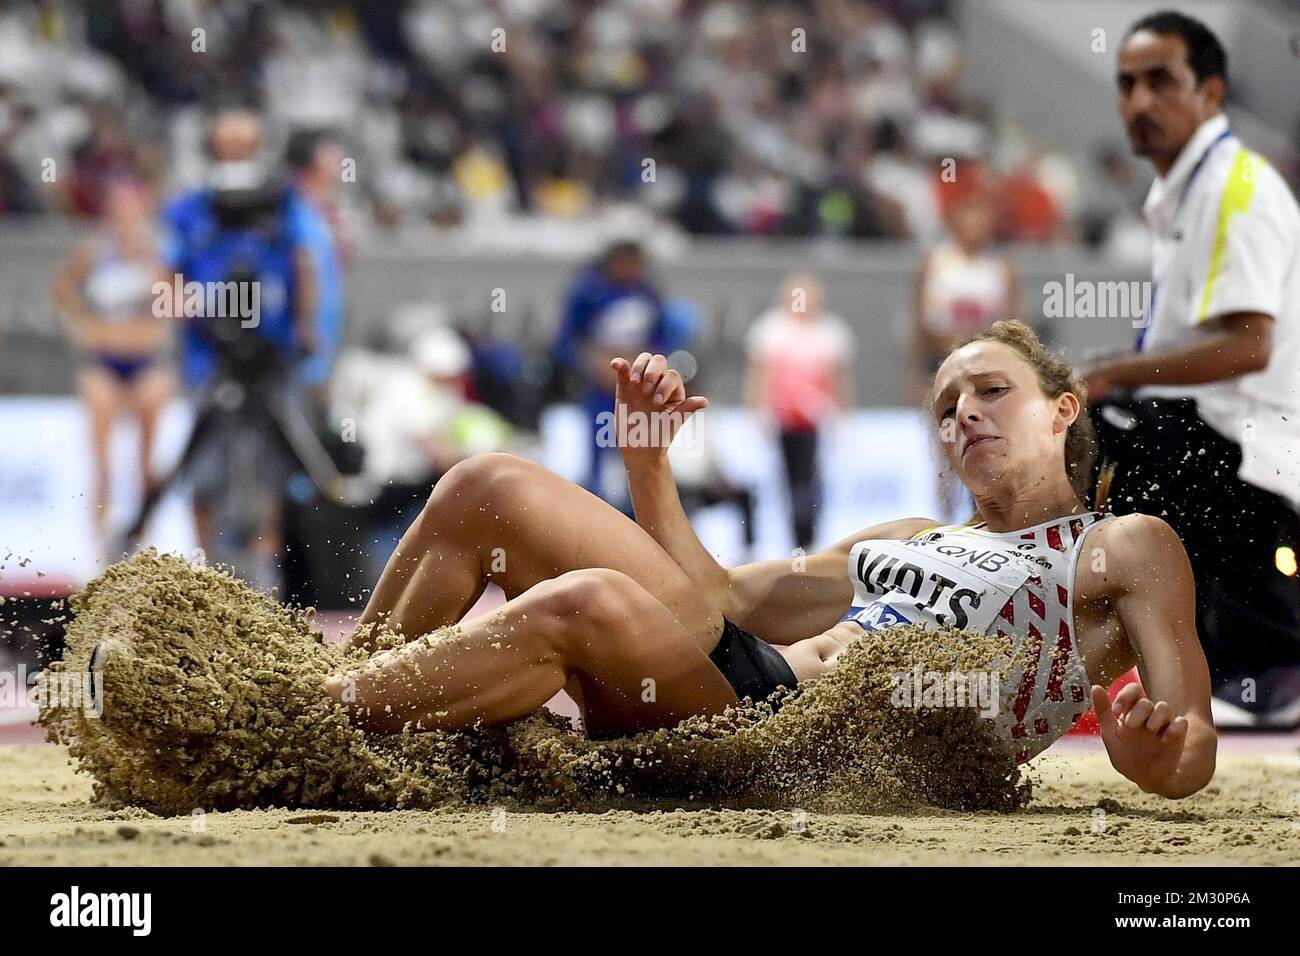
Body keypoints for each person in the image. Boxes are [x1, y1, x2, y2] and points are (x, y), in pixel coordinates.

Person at [324, 320, 1217, 799]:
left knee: (590, 600)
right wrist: (648, 459)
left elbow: (1191, 748)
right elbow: (720, 601)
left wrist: (1149, 759)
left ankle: (305, 722)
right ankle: (342, 708)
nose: (965, 415)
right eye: (947, 407)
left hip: (803, 755)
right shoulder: (909, 537)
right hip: (741, 690)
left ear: (1064, 412)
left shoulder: (1122, 546)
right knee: (489, 486)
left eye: (993, 391)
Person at [1083, 11, 1300, 727]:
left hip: (1249, 453)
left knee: (1088, 425)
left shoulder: (1237, 188)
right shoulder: (1190, 189)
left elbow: (1249, 345)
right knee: (1073, 414)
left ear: (1210, 92)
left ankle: (1260, 668)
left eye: (1160, 82)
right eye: (1126, 85)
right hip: (1218, 439)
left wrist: (1115, 374)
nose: (1139, 102)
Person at [52, 177, 172, 557]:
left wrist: (150, 331)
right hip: (104, 363)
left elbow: (169, 306)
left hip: (144, 363)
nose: (124, 217)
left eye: (131, 209)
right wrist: (84, 326)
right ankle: (98, 548)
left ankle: (141, 545)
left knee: (147, 462)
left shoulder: (155, 255)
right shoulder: (95, 251)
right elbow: (62, 288)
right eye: (118, 209)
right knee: (102, 461)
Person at [911, 188, 1019, 524]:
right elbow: (921, 323)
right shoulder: (937, 263)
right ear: (954, 221)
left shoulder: (1000, 269)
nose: (976, 225)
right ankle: (944, 523)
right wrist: (916, 374)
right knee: (946, 448)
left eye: (982, 217)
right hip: (944, 365)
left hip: (986, 372)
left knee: (985, 446)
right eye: (968, 216)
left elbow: (1013, 327)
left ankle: (984, 519)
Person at [552, 239, 671, 511]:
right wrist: (594, 363)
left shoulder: (648, 293)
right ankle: (593, 512)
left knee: (637, 454)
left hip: (636, 387)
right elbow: (566, 341)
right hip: (600, 388)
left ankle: (636, 515)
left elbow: (662, 339)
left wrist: (646, 361)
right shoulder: (589, 291)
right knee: (597, 451)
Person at [744, 273, 854, 550]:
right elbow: (760, 375)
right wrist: (758, 410)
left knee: (811, 477)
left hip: (815, 419)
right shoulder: (772, 329)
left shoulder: (829, 332)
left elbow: (838, 378)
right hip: (783, 418)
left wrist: (843, 414)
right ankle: (795, 534)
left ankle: (810, 533)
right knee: (789, 477)